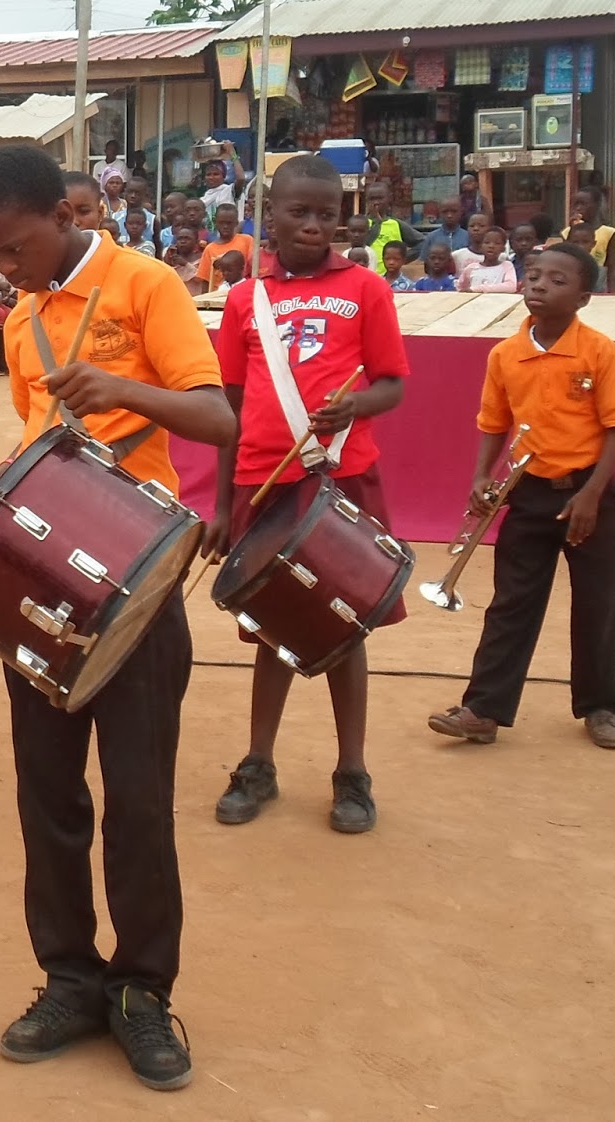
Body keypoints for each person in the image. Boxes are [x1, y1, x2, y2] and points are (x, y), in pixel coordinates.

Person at [0, 143, 235, 1094]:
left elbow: (217, 417)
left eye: (16, 250)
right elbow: (37, 454)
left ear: (64, 214)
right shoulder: (19, 322)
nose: (6, 271)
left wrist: (124, 390)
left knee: (138, 801)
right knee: (47, 797)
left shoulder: (144, 286)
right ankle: (68, 977)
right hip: (40, 582)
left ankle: (143, 991)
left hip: (137, 586)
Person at [202, 154, 409, 835]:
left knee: (346, 627)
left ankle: (353, 772)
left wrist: (353, 407)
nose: (315, 226)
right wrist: (226, 505)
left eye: (328, 214)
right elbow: (229, 405)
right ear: (273, 215)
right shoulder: (243, 299)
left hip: (341, 480)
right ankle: (258, 762)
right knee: (271, 628)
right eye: (300, 212)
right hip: (266, 481)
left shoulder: (366, 289)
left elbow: (391, 383)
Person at [428, 244, 615, 751]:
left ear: (583, 298)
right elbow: (493, 425)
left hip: (591, 496)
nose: (539, 284)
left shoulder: (600, 351)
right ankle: (484, 710)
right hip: (529, 495)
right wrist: (481, 477)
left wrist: (591, 494)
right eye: (534, 274)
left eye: (557, 280)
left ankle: (600, 706)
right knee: (511, 603)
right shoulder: (504, 355)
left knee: (597, 604)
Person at [191, 202, 254, 295]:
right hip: (218, 297)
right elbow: (205, 281)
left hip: (244, 293)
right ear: (215, 223)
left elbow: (253, 268)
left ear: (236, 223)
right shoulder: (210, 249)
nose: (225, 226)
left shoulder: (247, 240)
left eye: (229, 223)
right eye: (222, 223)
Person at [364, 182, 422, 273]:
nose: (376, 202)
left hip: (390, 278)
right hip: (367, 276)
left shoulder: (396, 224)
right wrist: (377, 223)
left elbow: (423, 243)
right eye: (372, 199)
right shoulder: (362, 224)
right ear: (367, 201)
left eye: (380, 198)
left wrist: (402, 258)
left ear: (389, 199)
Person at [458, 227, 519, 293]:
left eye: (497, 243)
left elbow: (510, 287)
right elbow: (460, 287)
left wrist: (476, 289)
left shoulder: (507, 266)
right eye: (487, 242)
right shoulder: (471, 268)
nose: (491, 246)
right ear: (481, 246)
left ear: (503, 248)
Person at [567, 187, 615, 269]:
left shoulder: (609, 233)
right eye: (576, 204)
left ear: (597, 205)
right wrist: (572, 229)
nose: (578, 208)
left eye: (583, 204)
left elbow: (613, 266)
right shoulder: (567, 232)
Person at [420, 197, 469, 264]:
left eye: (454, 211)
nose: (449, 215)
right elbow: (423, 261)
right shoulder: (431, 237)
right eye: (445, 212)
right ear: (439, 213)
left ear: (461, 212)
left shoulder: (468, 237)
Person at [199, 145, 245, 215]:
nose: (211, 177)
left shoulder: (229, 191)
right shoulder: (202, 200)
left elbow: (241, 179)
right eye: (208, 174)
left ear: (223, 176)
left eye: (216, 174)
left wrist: (233, 154)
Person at [566, 223, 610, 293]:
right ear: (568, 243)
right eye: (575, 242)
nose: (580, 246)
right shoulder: (561, 268)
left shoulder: (599, 272)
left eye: (585, 242)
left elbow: (599, 295)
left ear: (593, 244)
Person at [163, 220, 202, 285]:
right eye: (179, 239)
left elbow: (200, 278)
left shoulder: (201, 259)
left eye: (187, 238)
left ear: (196, 242)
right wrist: (167, 262)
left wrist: (185, 264)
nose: (183, 241)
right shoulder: (172, 258)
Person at [101, 169, 129, 237]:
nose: (114, 185)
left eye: (118, 183)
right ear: (105, 185)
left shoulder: (125, 203)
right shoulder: (99, 203)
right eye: (111, 183)